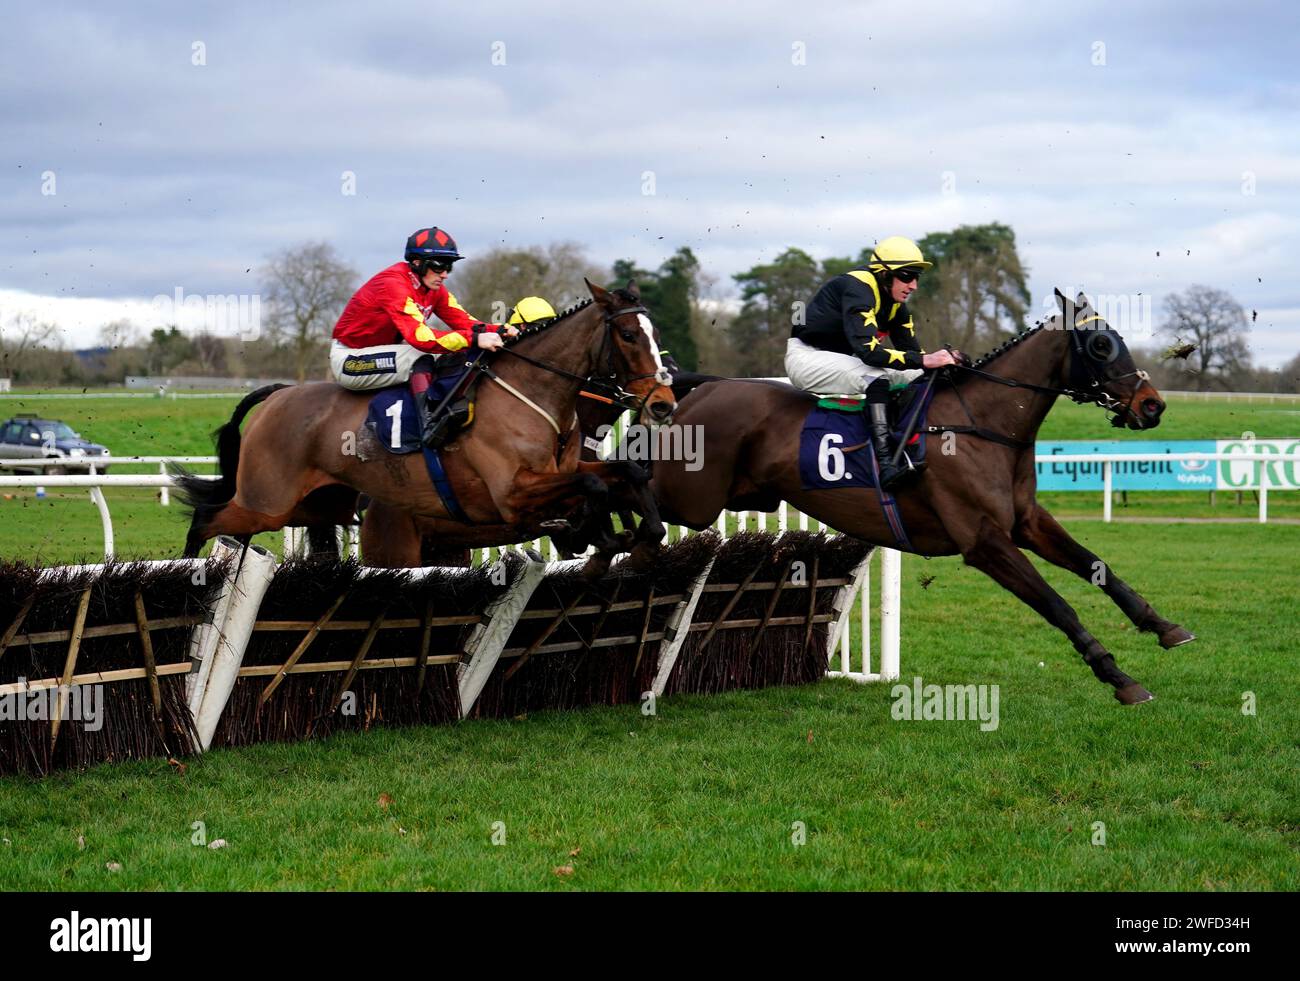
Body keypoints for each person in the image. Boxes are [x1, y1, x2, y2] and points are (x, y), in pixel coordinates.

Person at [787, 236, 959, 489]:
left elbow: (914, 357)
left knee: (923, 376)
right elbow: (870, 353)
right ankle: (886, 465)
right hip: (807, 357)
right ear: (884, 275)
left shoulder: (897, 307)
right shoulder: (858, 288)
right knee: (876, 378)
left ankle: (912, 444)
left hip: (844, 360)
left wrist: (945, 362)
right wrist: (924, 359)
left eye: (916, 278)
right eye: (907, 276)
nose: (913, 285)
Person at [329, 226, 517, 447]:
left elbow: (467, 322)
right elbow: (421, 337)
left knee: (456, 352)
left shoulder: (434, 289)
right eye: (439, 266)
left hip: (383, 355)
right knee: (420, 353)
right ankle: (429, 423)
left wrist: (500, 330)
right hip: (350, 361)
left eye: (449, 266)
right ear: (417, 262)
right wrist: (474, 339)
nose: (445, 273)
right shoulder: (393, 284)